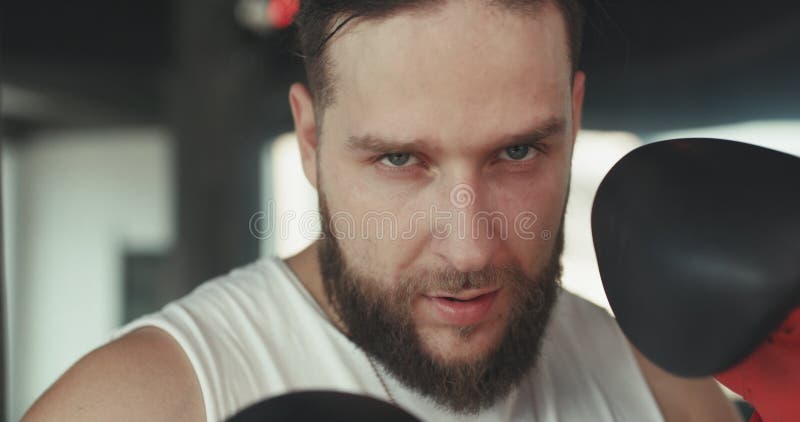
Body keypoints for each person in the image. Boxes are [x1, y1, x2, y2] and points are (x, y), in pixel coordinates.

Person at [24, 1, 742, 421]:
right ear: (310, 141)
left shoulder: (661, 391)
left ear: (574, 120)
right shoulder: (144, 405)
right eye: (400, 160)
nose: (468, 250)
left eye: (518, 152)